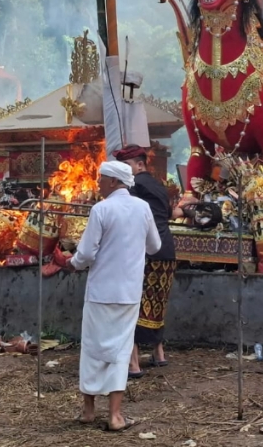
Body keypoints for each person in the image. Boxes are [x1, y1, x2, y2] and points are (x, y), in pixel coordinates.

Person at [66, 161, 161, 432]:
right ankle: (116, 416)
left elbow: (86, 254)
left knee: (92, 349)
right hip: (129, 292)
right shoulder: (142, 208)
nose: (97, 184)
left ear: (112, 181)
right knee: (120, 351)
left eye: (100, 179)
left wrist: (71, 263)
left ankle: (88, 411)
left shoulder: (101, 209)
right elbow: (154, 246)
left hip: (100, 292)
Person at [115, 145, 179, 377]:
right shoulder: (158, 184)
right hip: (166, 251)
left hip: (145, 250)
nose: (123, 171)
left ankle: (133, 364)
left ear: (140, 165)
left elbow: (126, 215)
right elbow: (170, 214)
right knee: (156, 303)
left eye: (127, 165)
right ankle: (158, 353)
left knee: (133, 304)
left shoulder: (133, 186)